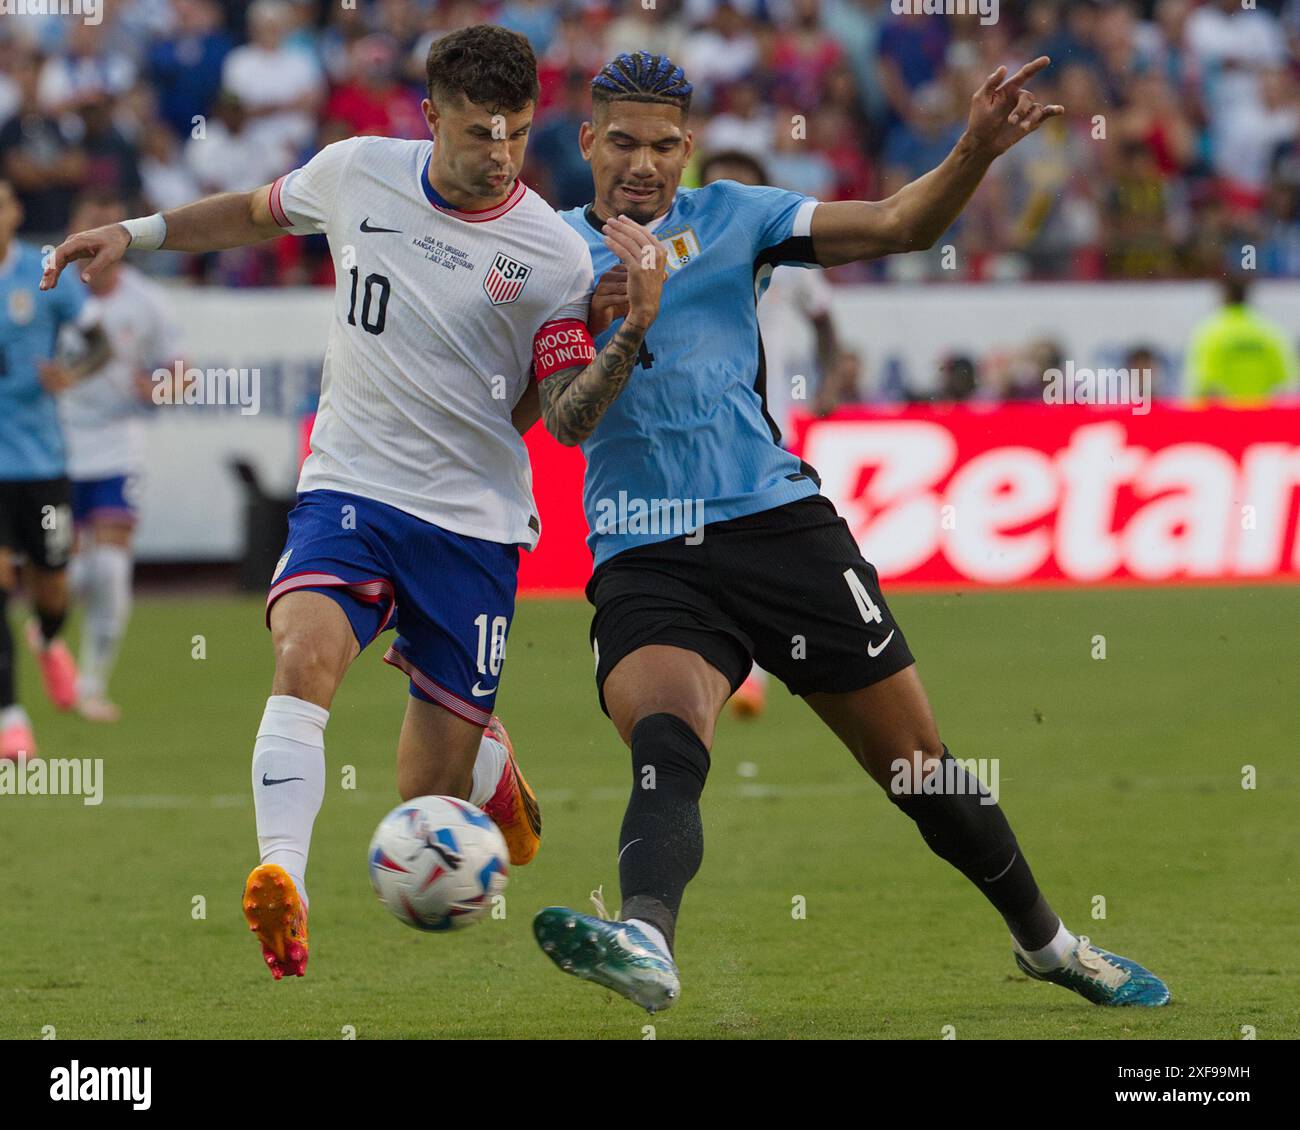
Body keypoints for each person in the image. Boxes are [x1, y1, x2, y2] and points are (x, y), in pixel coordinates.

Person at [530, 51, 1169, 1013]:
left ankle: (1050, 945)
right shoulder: (548, 258)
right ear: (587, 141)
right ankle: (647, 941)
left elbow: (903, 224)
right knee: (668, 745)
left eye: (665, 145)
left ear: (688, 149)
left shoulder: (734, 218)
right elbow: (565, 422)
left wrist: (973, 150)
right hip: (643, 547)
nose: (644, 164)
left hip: (778, 528)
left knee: (917, 770)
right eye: (623, 141)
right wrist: (626, 328)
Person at [42, 24, 666, 982]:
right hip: (350, 486)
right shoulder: (357, 172)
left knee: (422, 806)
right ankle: (281, 878)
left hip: (472, 524)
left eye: (515, 133)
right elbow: (253, 213)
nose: (498, 154)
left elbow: (564, 419)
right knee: (302, 656)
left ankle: (487, 765)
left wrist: (618, 338)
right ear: (430, 120)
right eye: (475, 133)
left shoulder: (550, 254)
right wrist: (136, 233)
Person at [698, 148, 845, 720]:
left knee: (756, 550)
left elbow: (829, 324)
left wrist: (830, 383)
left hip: (768, 431)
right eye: (716, 187)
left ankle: (761, 667)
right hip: (696, 429)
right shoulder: (680, 254)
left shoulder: (786, 262)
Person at [59, 191, 182, 722]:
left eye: (110, 226)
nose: (97, 238)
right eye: (90, 223)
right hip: (52, 446)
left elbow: (181, 375)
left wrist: (158, 387)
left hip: (117, 446)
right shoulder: (47, 293)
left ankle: (91, 684)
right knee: (63, 574)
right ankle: (49, 647)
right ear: (71, 230)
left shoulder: (149, 303)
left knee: (110, 568)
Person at [0, 178, 111, 762]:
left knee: (52, 586)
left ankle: (45, 638)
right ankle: (10, 718)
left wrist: (69, 374)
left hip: (40, 461)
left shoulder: (41, 275)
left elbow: (98, 345)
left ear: (15, 211)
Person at [1189, 276, 1298, 405]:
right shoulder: (1269, 332)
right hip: (1263, 417)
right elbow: (1285, 384)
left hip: (1225, 418)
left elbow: (1203, 385)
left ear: (1224, 297)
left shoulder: (1210, 333)